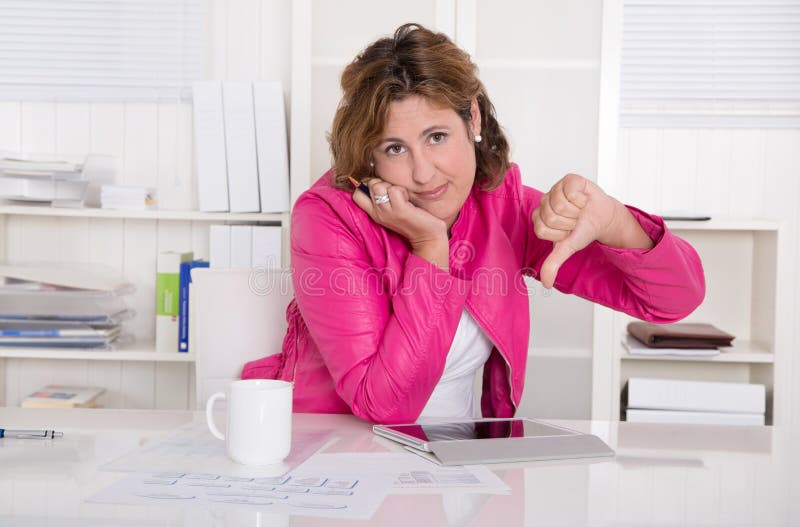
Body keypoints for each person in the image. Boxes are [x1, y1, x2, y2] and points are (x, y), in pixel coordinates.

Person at [242, 23, 705, 424]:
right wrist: (430, 248)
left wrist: (617, 223)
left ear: (474, 119)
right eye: (394, 148)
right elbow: (384, 407)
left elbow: (674, 302)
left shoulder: (499, 207)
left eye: (437, 137)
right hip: (343, 465)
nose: (423, 174)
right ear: (369, 153)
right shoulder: (329, 218)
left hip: (458, 469)